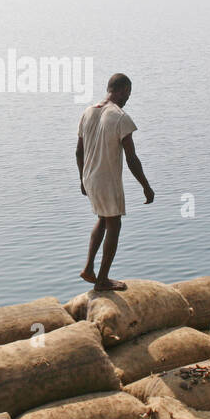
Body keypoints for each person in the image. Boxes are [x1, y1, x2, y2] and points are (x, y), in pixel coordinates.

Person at [76, 73, 153, 291]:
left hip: (90, 177)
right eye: (128, 93)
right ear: (121, 90)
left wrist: (82, 178)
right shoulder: (120, 117)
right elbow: (131, 158)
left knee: (103, 219)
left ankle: (89, 268)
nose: (128, 98)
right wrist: (146, 186)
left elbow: (78, 152)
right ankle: (102, 280)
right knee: (114, 224)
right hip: (107, 179)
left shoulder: (88, 112)